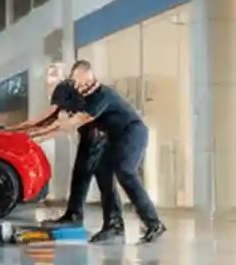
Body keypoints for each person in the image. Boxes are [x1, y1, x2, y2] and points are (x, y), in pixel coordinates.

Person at [7, 64, 124, 243]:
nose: (51, 79)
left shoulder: (65, 89)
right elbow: (53, 121)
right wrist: (21, 133)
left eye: (55, 75)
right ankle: (74, 215)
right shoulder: (61, 93)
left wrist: (22, 134)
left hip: (102, 133)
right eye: (49, 75)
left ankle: (114, 224)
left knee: (104, 178)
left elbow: (54, 122)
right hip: (88, 133)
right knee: (80, 174)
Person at [66, 60, 166, 243]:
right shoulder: (84, 98)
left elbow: (76, 121)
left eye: (83, 82)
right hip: (114, 137)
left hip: (133, 132)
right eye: (77, 83)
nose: (81, 86)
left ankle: (154, 223)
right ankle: (113, 225)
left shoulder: (102, 95)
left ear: (91, 78)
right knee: (102, 171)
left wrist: (43, 132)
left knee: (125, 170)